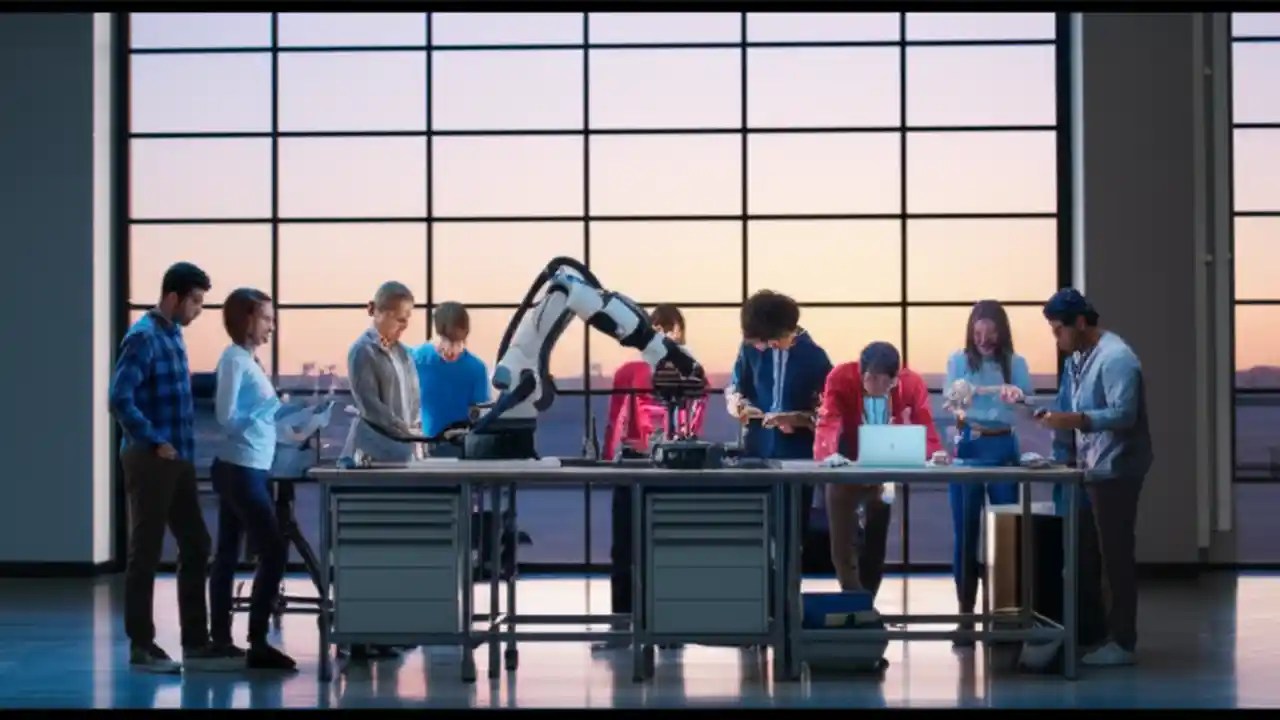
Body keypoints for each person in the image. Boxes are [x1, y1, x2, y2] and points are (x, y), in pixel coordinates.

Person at [108, 262, 241, 673]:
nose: (199, 310)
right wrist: (154, 439)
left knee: (197, 542)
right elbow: (119, 397)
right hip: (151, 457)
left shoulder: (174, 335)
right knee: (145, 552)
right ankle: (142, 646)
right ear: (173, 297)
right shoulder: (144, 337)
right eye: (195, 301)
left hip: (177, 457)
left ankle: (196, 642)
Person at [1038, 288, 1151, 667]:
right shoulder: (1077, 359)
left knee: (1114, 557)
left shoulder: (1117, 358)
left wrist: (1077, 420)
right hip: (1088, 469)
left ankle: (1123, 642)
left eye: (1059, 330)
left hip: (1116, 469)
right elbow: (1067, 406)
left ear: (1081, 323)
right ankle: (1096, 633)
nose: (1057, 338)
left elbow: (1124, 414)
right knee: (1086, 554)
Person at [207, 288, 307, 671]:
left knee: (229, 553)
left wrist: (298, 425)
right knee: (273, 551)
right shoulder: (234, 360)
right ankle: (257, 642)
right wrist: (266, 411)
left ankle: (223, 639)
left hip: (249, 466)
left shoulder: (249, 360)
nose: (272, 326)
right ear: (247, 318)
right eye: (266, 318)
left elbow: (262, 418)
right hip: (240, 468)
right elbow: (225, 417)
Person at [601, 304, 707, 635]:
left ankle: (671, 621)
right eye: (657, 329)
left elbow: (695, 420)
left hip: (674, 468)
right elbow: (615, 419)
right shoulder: (628, 372)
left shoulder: (692, 372)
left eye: (670, 329)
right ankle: (623, 620)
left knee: (670, 546)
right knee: (624, 547)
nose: (663, 336)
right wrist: (608, 461)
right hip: (633, 464)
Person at [814, 341, 943, 593]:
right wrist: (828, 454)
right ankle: (854, 601)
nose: (874, 385)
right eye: (869, 378)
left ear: (895, 379)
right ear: (861, 372)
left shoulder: (911, 384)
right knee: (842, 545)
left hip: (885, 471)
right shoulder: (841, 377)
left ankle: (867, 603)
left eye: (882, 381)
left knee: (876, 544)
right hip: (846, 468)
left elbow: (924, 421)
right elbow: (828, 418)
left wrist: (935, 452)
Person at [942, 300, 1035, 641]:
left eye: (990, 333)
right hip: (968, 446)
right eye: (978, 333)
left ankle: (1005, 614)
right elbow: (952, 403)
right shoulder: (957, 361)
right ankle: (965, 615)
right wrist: (978, 395)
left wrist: (1018, 397)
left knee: (1006, 533)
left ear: (1002, 333)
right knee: (965, 532)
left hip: (1003, 447)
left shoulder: (1016, 364)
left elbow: (1027, 407)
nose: (983, 340)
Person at [726, 291, 834, 578]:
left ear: (787, 330)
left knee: (793, 531)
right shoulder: (750, 350)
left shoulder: (815, 357)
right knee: (756, 528)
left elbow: (830, 413)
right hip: (756, 451)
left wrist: (798, 418)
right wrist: (739, 405)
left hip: (797, 455)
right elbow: (735, 388)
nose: (764, 347)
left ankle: (787, 592)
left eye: (770, 341)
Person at [341, 281, 424, 465]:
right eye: (400, 319)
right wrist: (404, 432)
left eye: (407, 319)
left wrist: (414, 433)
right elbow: (370, 406)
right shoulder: (362, 351)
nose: (405, 325)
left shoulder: (403, 354)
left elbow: (414, 399)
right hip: (372, 453)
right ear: (379, 314)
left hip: (402, 449)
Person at [413, 301, 490, 457]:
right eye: (444, 340)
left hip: (464, 449)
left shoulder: (476, 368)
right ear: (434, 334)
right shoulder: (416, 360)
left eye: (457, 342)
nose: (450, 349)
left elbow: (481, 416)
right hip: (425, 447)